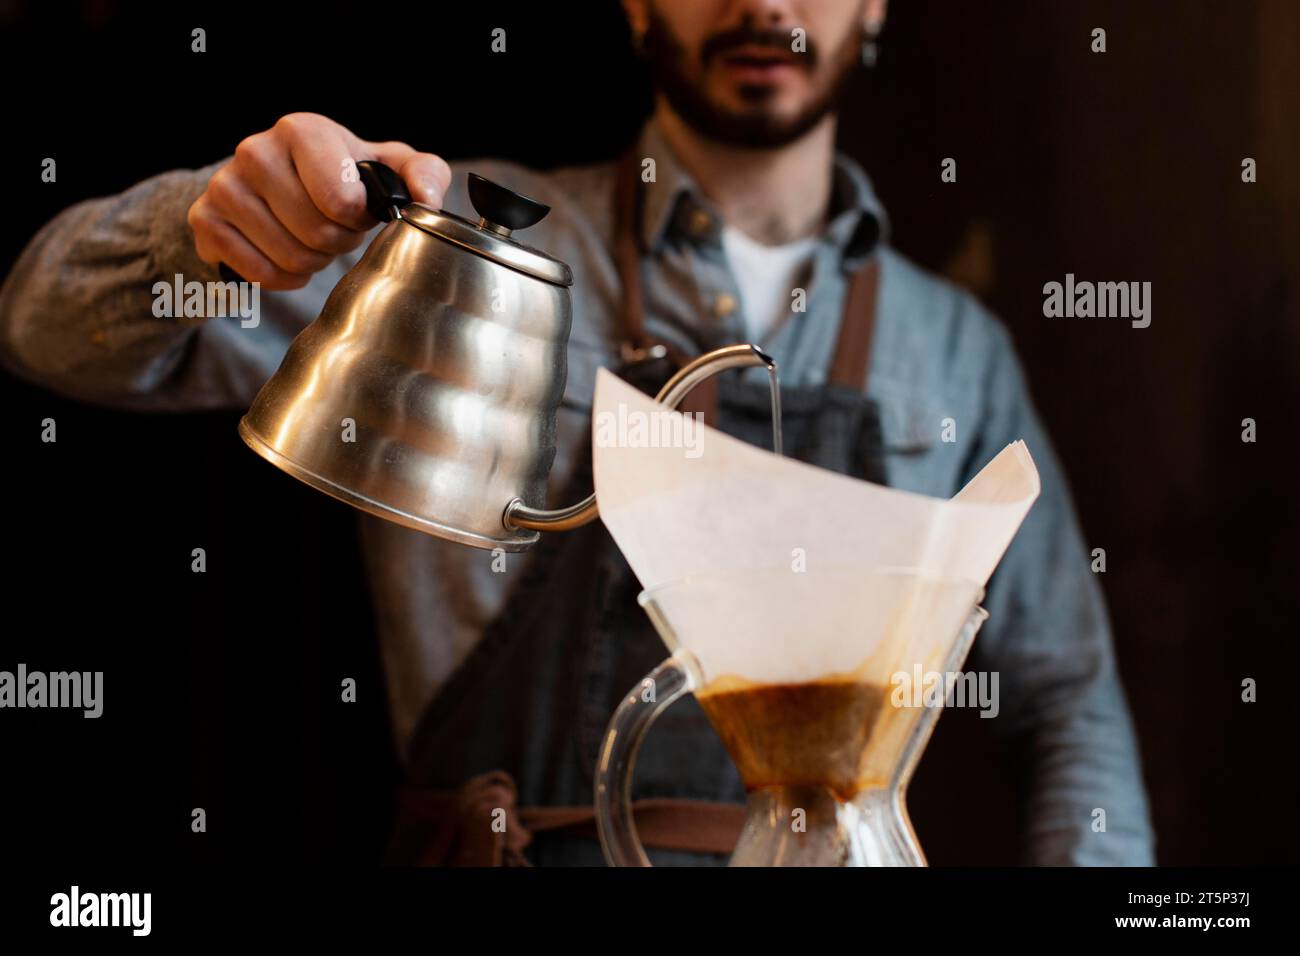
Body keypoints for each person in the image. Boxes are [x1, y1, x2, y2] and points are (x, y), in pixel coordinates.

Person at [0, 0, 1154, 865]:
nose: (763, 6)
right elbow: (44, 332)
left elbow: (1062, 698)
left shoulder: (954, 349)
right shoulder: (448, 242)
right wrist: (204, 229)